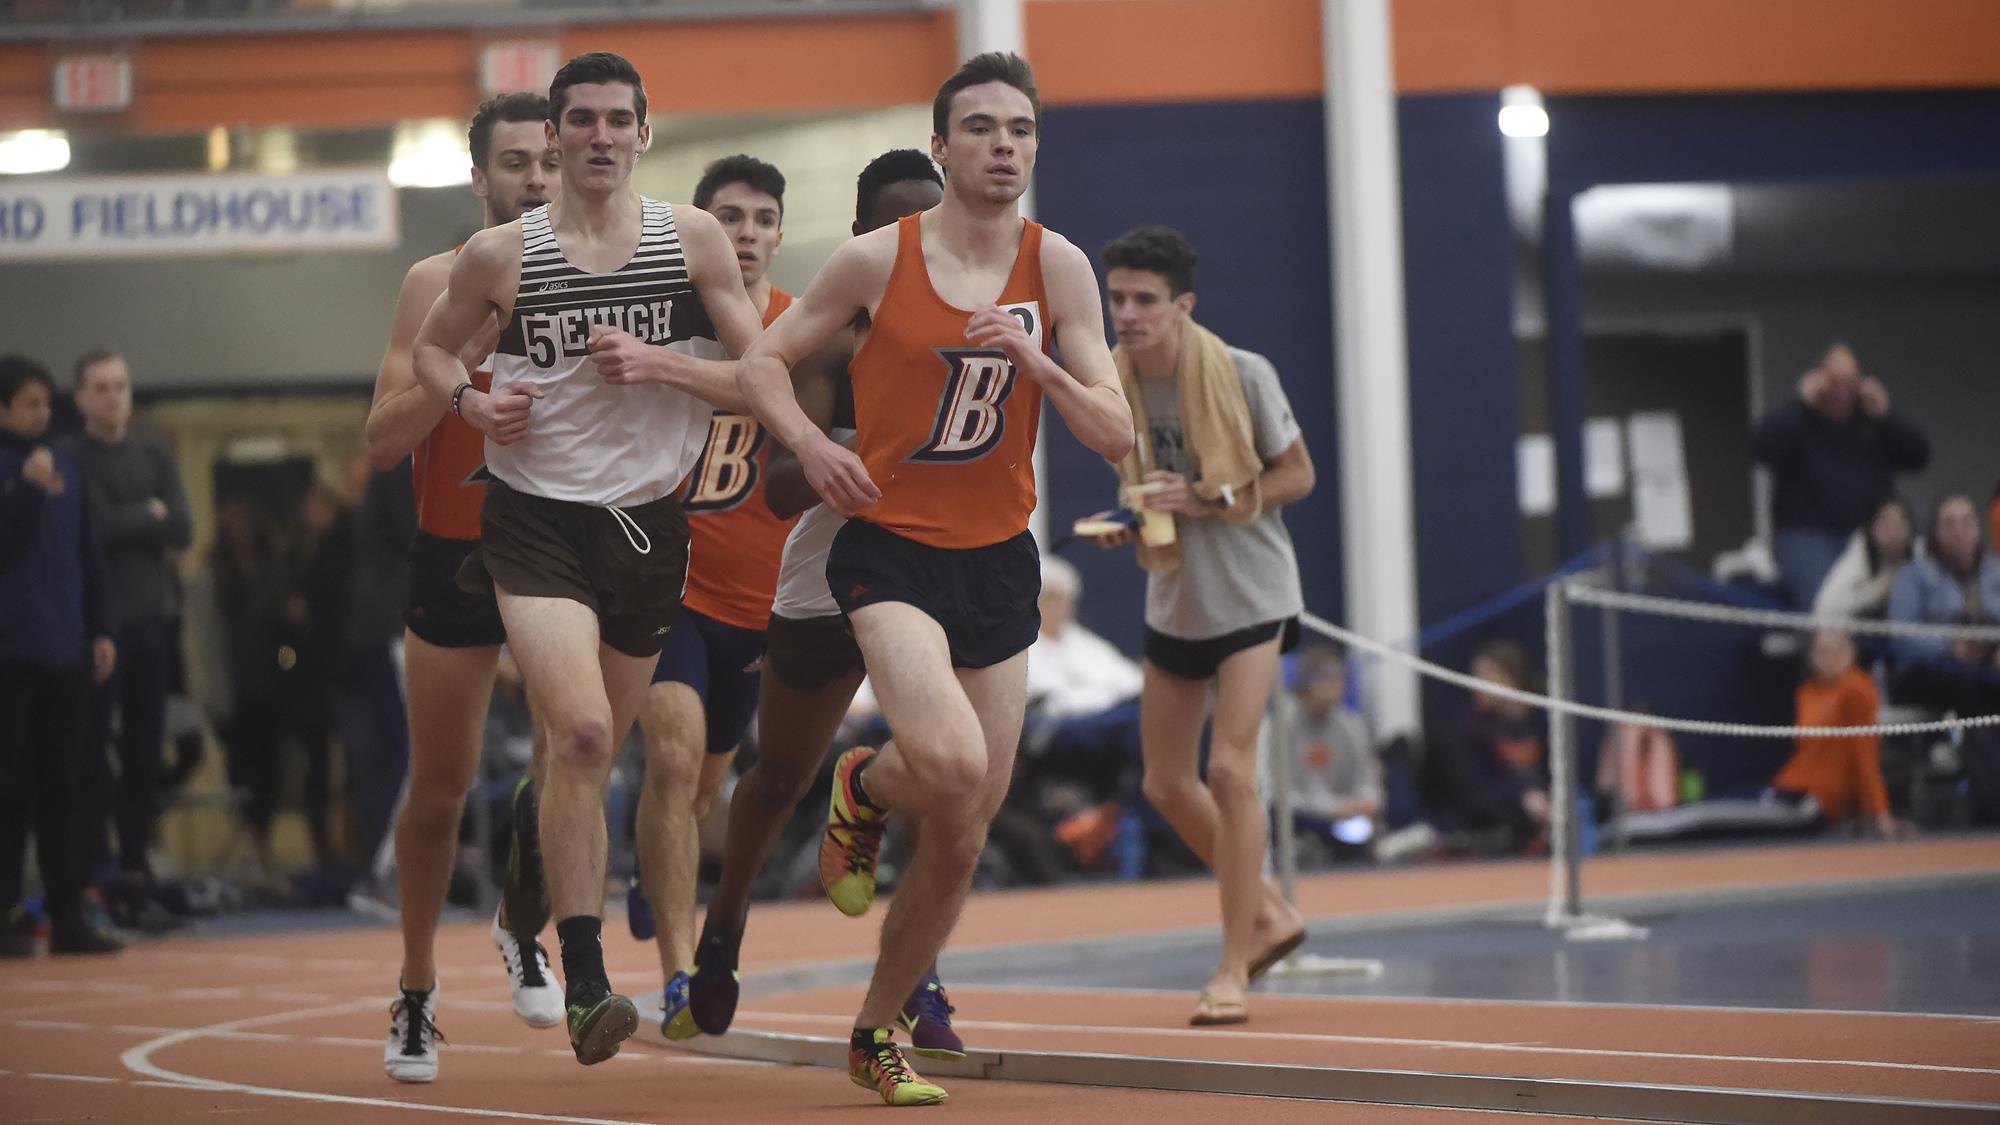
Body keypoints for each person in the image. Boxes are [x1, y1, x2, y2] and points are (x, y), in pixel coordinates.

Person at [729, 54, 1134, 1105]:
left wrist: (1040, 365)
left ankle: (875, 1028)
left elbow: (1117, 430)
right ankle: (864, 781)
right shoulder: (873, 261)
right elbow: (763, 364)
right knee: (948, 766)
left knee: (965, 821)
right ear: (943, 145)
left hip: (998, 557)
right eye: (982, 128)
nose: (1004, 145)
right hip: (891, 548)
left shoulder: (1060, 268)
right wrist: (811, 449)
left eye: (1021, 130)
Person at [411, 51, 764, 1070]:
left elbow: (755, 377)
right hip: (533, 519)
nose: (600, 135)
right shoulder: (500, 254)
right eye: (581, 120)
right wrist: (472, 403)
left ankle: (531, 886)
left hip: (649, 529)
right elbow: (438, 352)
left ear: (644, 134)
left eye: (618, 119)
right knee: (575, 733)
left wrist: (659, 364)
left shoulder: (688, 241)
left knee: (595, 754)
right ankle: (587, 979)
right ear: (555, 138)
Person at [683, 149, 966, 1059]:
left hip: (930, 570)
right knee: (778, 777)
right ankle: (722, 924)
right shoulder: (832, 339)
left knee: (946, 774)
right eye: (899, 229)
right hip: (824, 577)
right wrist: (844, 456)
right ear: (863, 240)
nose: (920, 246)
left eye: (935, 225)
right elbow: (769, 487)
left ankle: (918, 977)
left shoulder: (975, 327)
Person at [364, 90, 565, 1083]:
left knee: (587, 742)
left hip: (560, 550)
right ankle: (414, 990)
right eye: (515, 161)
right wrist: (462, 378)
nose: (535, 177)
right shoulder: (433, 283)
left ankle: (521, 918)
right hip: (454, 549)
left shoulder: (597, 280)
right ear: (479, 177)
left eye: (547, 161)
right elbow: (379, 443)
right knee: (440, 789)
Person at [1079, 225, 1313, 1027]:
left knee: (1230, 773)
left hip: (1253, 595)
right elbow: (1147, 491)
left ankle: (1233, 964)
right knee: (1165, 782)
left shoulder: (1242, 372)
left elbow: (1298, 474)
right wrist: (1126, 521)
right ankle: (1274, 911)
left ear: (1183, 305)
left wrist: (1210, 498)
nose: (1129, 313)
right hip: (1176, 596)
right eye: (1117, 298)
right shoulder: (1111, 381)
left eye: (1146, 299)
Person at [628, 154, 799, 1040]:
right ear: (699, 229)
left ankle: (650, 869)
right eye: (727, 216)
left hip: (759, 605)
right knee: (671, 757)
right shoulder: (661, 321)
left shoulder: (803, 329)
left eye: (762, 218)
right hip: (667, 586)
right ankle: (676, 976)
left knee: (700, 796)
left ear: (778, 232)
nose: (745, 233)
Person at [57, 349, 193, 929]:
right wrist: (148, 514)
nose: (114, 396)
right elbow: (94, 527)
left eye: (120, 385)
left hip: (151, 622)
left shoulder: (153, 452)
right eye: (101, 388)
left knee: (144, 751)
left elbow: (183, 526)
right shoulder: (69, 456)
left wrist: (134, 516)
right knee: (90, 754)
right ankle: (95, 869)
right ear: (81, 397)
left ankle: (135, 867)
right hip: (94, 627)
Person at [0, 354, 124, 958]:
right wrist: (25, 488)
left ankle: (68, 913)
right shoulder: (16, 468)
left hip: (64, 649)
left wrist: (100, 627)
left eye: (46, 402)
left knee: (62, 786)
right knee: (8, 790)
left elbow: (88, 552)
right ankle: (5, 914)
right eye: (29, 403)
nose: (42, 413)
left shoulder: (67, 467)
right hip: (10, 652)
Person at [1752, 343, 1930, 606]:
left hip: (1869, 534)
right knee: (1828, 604)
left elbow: (1919, 456)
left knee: (1913, 589)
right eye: (1834, 382)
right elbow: (1760, 448)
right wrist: (1801, 405)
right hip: (1808, 535)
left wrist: (1886, 415)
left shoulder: (1873, 421)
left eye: (1849, 382)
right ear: (1820, 380)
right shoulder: (1799, 419)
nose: (1841, 391)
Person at [1886, 493, 2000, 717]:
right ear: (1935, 532)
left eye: (1966, 521)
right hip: (1929, 670)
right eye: (1949, 524)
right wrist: (1949, 648)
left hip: (1988, 664)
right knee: (1967, 687)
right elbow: (1899, 635)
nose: (1959, 531)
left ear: (1978, 527)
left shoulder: (1996, 571)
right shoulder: (1914, 575)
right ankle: (1963, 752)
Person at [1283, 643, 1382, 859]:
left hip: (1345, 818)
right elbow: (1275, 793)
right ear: (1307, 684)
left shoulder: (1352, 725)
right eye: (1326, 678)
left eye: (1339, 678)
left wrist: (1365, 800)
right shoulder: (1280, 726)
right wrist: (1332, 808)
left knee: (1360, 834)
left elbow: (1367, 779)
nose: (1335, 685)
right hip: (1299, 819)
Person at [1812, 495, 1919, 624]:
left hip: (1910, 637)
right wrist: (1877, 589)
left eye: (1900, 522)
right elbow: (1825, 609)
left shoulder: (1921, 555)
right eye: (1886, 522)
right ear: (1871, 527)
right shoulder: (1859, 553)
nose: (1893, 530)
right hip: (1860, 633)